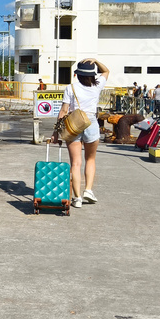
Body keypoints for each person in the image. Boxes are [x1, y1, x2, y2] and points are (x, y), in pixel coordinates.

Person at [50, 58, 110, 208]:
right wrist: (96, 61)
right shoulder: (97, 86)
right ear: (92, 75)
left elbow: (63, 111)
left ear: (77, 74)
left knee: (75, 163)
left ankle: (77, 198)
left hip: (74, 125)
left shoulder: (71, 88)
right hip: (91, 123)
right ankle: (88, 191)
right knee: (90, 159)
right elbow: (106, 71)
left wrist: (56, 133)